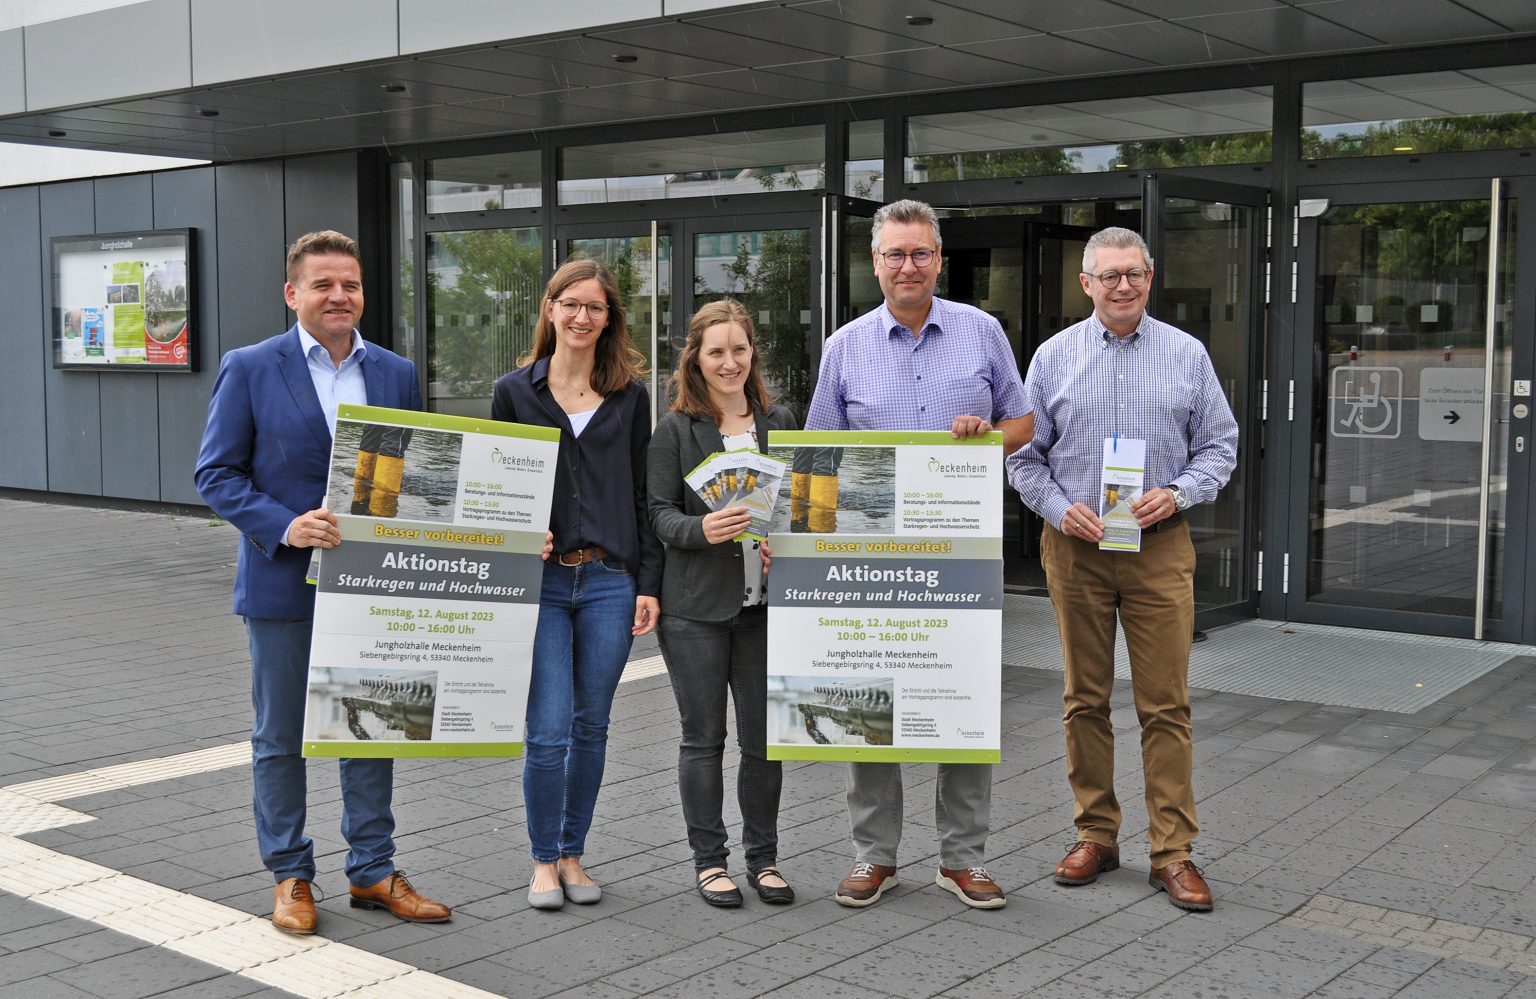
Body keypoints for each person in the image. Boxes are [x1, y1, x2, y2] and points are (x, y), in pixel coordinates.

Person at [194, 230, 451, 934]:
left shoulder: (395, 372)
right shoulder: (250, 367)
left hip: (372, 585)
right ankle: (291, 873)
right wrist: (284, 524)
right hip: (283, 584)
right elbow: (215, 473)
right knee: (280, 735)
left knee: (372, 724)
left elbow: (419, 477)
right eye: (323, 284)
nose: (340, 296)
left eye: (351, 284)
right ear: (292, 294)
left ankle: (373, 869)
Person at [805, 199, 1033, 910]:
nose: (909, 265)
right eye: (895, 254)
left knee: (961, 697)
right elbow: (818, 458)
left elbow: (1023, 422)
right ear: (874, 264)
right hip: (869, 559)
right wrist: (808, 551)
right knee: (871, 699)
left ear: (939, 259)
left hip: (958, 554)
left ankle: (962, 858)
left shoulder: (981, 331)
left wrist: (985, 437)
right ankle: (875, 856)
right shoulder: (845, 345)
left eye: (921, 253)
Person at [1008, 226, 1238, 912]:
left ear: (1151, 275)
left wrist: (1179, 492)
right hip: (1075, 544)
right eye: (1107, 275)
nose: (1121, 285)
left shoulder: (1187, 354)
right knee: (1084, 697)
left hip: (1158, 543)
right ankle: (1096, 834)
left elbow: (1221, 448)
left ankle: (1172, 850)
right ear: (1086, 284)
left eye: (1133, 273)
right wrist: (1057, 507)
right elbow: (1021, 457)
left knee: (1165, 703)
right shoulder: (1052, 357)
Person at [491, 258, 663, 909]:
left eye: (596, 307)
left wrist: (649, 581)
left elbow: (645, 495)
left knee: (592, 725)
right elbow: (494, 490)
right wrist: (511, 537)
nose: (583, 316)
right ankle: (541, 859)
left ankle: (572, 854)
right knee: (550, 727)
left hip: (609, 581)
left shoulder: (629, 394)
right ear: (551, 308)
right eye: (572, 304)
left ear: (608, 317)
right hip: (540, 582)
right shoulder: (513, 392)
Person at [647, 299, 798, 908]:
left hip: (764, 610)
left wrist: (786, 547)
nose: (729, 361)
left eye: (739, 349)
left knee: (764, 741)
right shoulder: (675, 430)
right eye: (716, 351)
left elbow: (803, 509)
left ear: (751, 353)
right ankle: (711, 862)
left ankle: (764, 859)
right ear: (696, 359)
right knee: (703, 738)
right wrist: (699, 531)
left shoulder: (779, 420)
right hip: (695, 610)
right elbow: (657, 514)